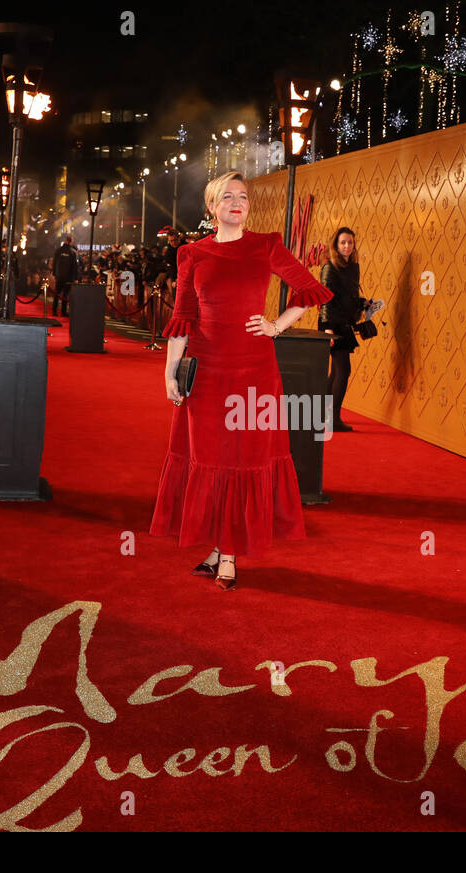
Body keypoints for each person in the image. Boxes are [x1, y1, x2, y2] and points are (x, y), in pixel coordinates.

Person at [149, 171, 333, 590]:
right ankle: (217, 547)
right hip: (208, 369)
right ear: (212, 207)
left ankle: (227, 553)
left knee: (240, 458)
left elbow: (308, 290)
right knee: (210, 458)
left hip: (253, 370)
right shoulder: (192, 254)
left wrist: (276, 325)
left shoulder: (265, 246)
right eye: (227, 197)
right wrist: (169, 371)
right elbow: (183, 318)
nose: (238, 202)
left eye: (243, 197)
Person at [319, 226, 365, 432]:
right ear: (336, 245)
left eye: (350, 242)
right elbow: (326, 300)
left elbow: (350, 296)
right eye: (343, 242)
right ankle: (333, 419)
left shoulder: (353, 267)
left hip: (345, 324)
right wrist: (328, 330)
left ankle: (322, 415)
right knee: (343, 370)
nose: (347, 246)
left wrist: (364, 305)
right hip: (332, 325)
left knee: (336, 371)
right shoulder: (330, 267)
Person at [50, 234, 78, 317]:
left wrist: (54, 274)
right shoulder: (73, 252)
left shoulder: (58, 251)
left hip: (59, 276)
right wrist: (75, 278)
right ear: (71, 241)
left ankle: (54, 311)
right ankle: (63, 312)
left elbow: (54, 263)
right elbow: (75, 266)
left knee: (57, 294)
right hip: (68, 277)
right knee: (65, 295)